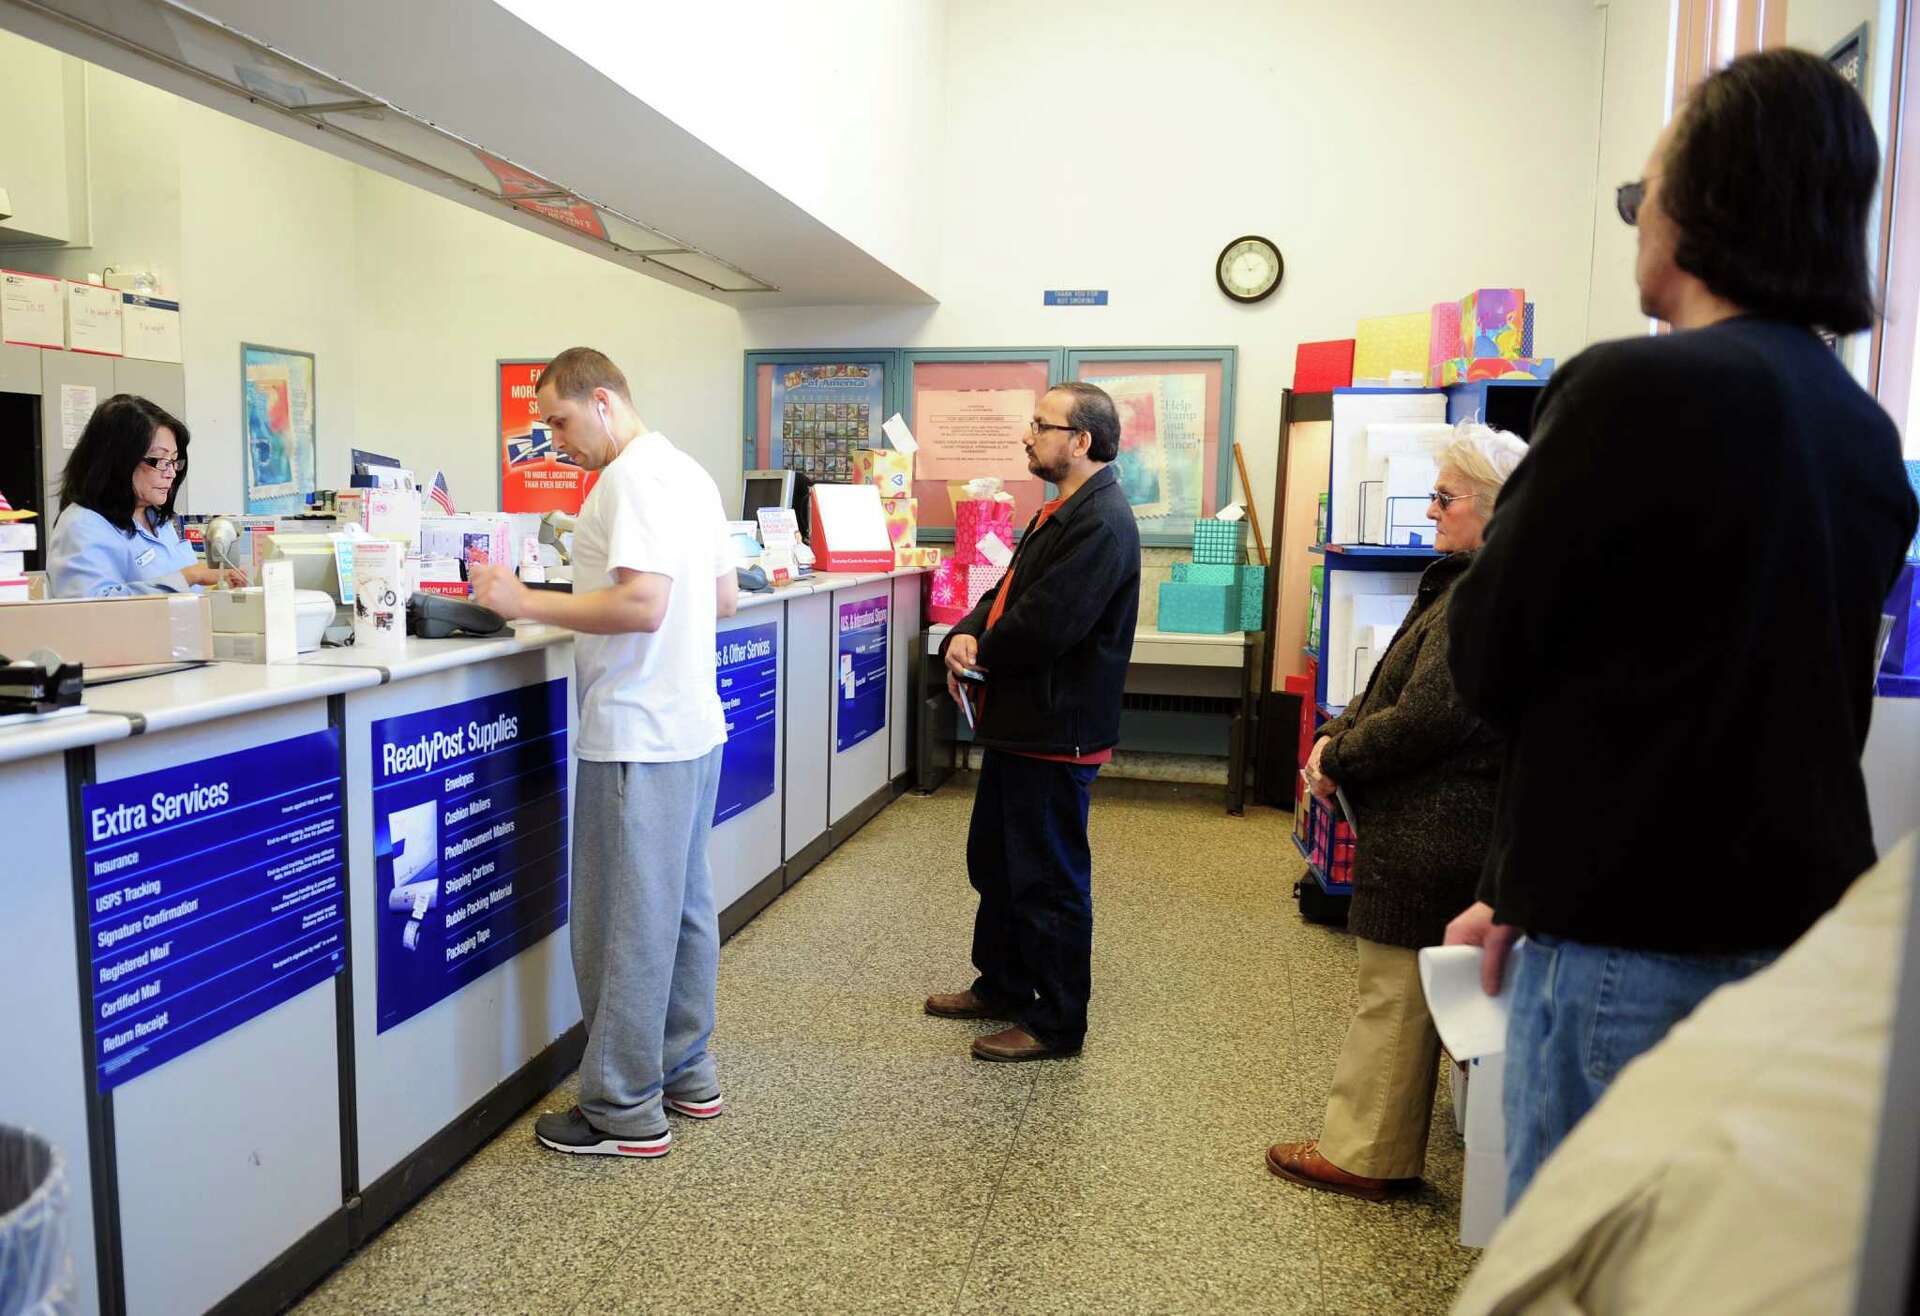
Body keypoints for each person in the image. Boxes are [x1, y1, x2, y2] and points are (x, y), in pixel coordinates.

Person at [1442, 49, 1920, 1206]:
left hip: (1627, 950)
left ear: (1702, 205)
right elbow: (1717, 700)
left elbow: (1493, 657)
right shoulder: (1862, 432)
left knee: (1593, 1256)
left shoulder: (1630, 391)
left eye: (1636, 195)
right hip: (1790, 939)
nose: (1634, 222)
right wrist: (1521, 882)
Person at [470, 346, 739, 1158]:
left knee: (624, 923)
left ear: (602, 400)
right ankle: (684, 1070)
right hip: (692, 726)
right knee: (682, 913)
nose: (556, 441)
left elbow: (642, 601)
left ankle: (622, 1109)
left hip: (637, 731)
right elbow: (721, 597)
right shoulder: (688, 472)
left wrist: (526, 600)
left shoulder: (628, 479)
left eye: (558, 419)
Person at [1266, 425, 1527, 1202]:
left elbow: (1428, 717)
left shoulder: (1483, 593)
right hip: (1445, 818)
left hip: (1436, 822)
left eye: (1446, 498)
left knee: (1395, 991)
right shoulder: (1482, 581)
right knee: (1406, 984)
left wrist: (1337, 755)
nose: (1431, 511)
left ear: (1494, 506)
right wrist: (1337, 736)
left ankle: (1366, 1156)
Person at [923, 382, 1140, 1062]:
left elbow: (1048, 623)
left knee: (1047, 880)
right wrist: (963, 630)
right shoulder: (1060, 510)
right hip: (1022, 725)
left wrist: (981, 649)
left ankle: (1057, 1022)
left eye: (1041, 425)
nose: (1026, 435)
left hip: (1057, 730)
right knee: (998, 862)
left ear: (1081, 441)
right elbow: (1005, 590)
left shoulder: (1101, 522)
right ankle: (1005, 982)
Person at [48, 394, 245, 597]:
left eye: (174, 461)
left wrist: (218, 587)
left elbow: (182, 593)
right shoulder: (82, 525)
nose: (171, 473)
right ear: (118, 461)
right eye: (160, 460)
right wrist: (188, 576)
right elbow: (88, 610)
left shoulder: (156, 518)